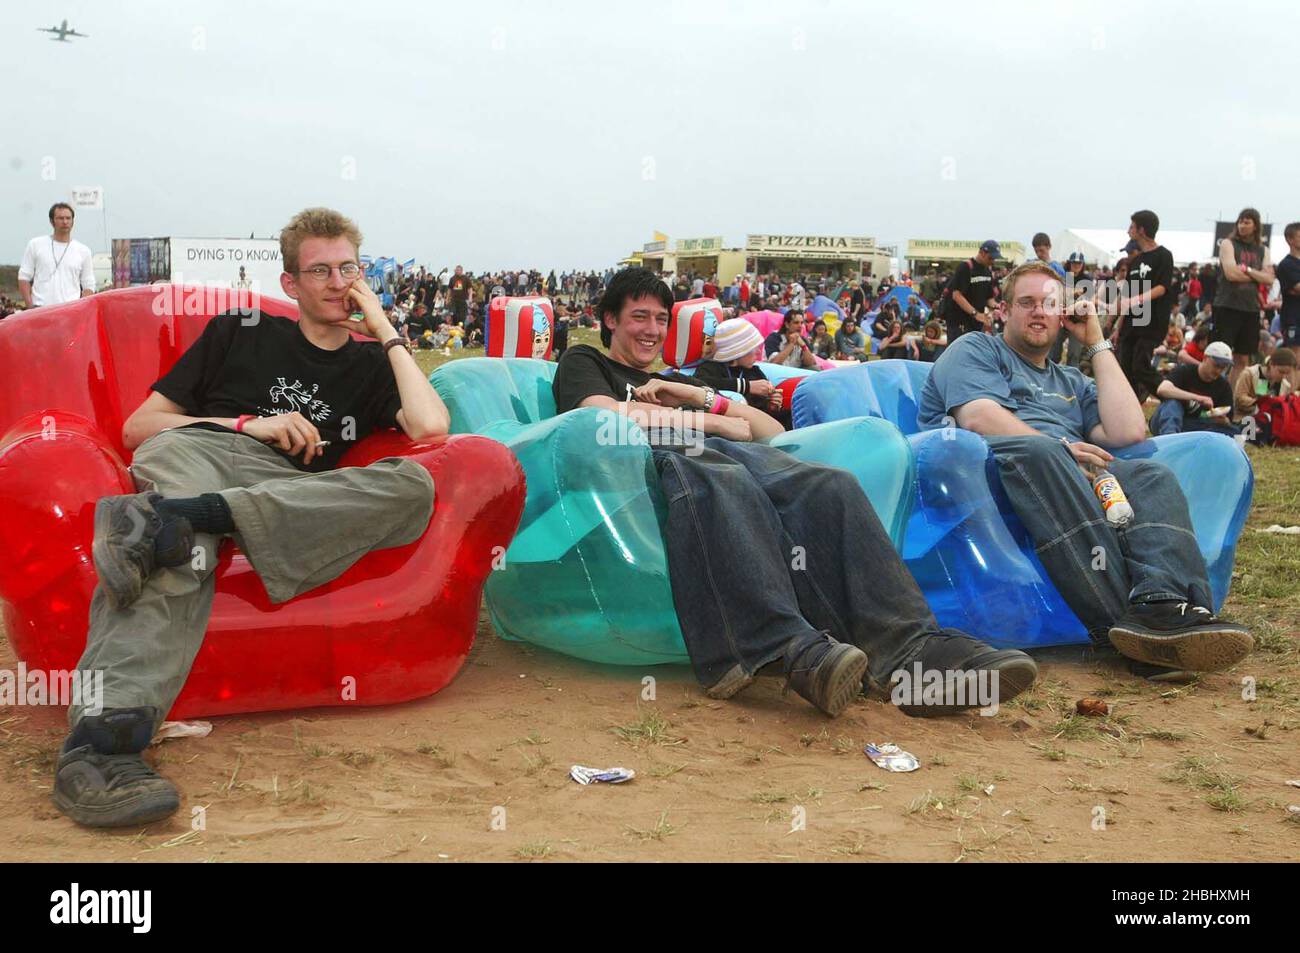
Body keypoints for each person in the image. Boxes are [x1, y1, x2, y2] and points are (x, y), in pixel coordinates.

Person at [50, 208, 451, 828]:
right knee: (181, 556)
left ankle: (176, 519)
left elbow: (432, 428)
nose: (337, 282)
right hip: (200, 451)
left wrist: (389, 332)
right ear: (290, 283)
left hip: (285, 490)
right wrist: (247, 423)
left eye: (349, 268)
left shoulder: (372, 366)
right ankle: (99, 752)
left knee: (415, 486)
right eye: (320, 271)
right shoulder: (241, 329)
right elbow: (139, 428)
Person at [551, 267, 1038, 719]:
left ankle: (911, 652)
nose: (652, 330)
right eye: (639, 317)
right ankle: (787, 647)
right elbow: (607, 419)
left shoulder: (676, 379)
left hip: (722, 455)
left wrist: (699, 398)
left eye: (661, 319)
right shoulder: (585, 360)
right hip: (656, 468)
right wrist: (718, 422)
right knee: (721, 475)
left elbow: (761, 430)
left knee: (828, 484)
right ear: (610, 320)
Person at [918, 260, 1253, 679]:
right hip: (991, 476)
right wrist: (1061, 449)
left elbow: (1129, 431)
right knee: (1040, 455)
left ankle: (1164, 606)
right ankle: (1128, 634)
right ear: (1004, 311)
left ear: (1065, 314)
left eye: (1050, 303)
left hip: (1072, 478)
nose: (1039, 311)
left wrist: (1096, 341)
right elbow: (979, 418)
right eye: (1026, 302)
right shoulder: (976, 349)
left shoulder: (1071, 382)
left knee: (1150, 475)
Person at [1108, 210, 1175, 402]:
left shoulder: (1163, 256)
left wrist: (1138, 300)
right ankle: (1132, 406)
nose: (1128, 231)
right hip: (1131, 324)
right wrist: (1117, 328)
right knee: (1126, 368)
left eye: (1132, 226)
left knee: (1141, 366)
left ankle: (1172, 395)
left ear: (1142, 230)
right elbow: (1127, 295)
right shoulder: (1136, 261)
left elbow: (1162, 287)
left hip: (1152, 323)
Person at [1212, 208, 1274, 390]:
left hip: (1250, 308)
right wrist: (1258, 276)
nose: (1242, 225)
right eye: (1240, 221)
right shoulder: (1228, 243)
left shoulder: (1263, 249)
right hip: (1227, 305)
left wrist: (1246, 270)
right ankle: (1213, 395)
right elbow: (1231, 274)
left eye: (1247, 222)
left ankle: (1231, 398)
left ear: (1255, 226)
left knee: (1243, 358)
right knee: (1219, 355)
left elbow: (1270, 279)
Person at [693, 318, 789, 426]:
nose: (758, 352)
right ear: (737, 351)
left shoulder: (755, 372)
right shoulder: (712, 368)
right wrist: (747, 386)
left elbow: (765, 411)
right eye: (753, 348)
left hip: (759, 425)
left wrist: (771, 405)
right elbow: (700, 382)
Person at [18, 203, 96, 308]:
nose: (65, 222)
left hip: (70, 311)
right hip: (40, 309)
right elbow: (24, 277)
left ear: (73, 221)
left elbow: (88, 284)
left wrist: (80, 309)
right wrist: (30, 307)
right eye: (60, 218)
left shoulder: (83, 251)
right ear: (52, 221)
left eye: (68, 218)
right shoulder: (36, 245)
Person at [1149, 341, 1236, 436]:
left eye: (1223, 368)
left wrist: (1223, 421)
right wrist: (1197, 398)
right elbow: (1162, 389)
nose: (1219, 371)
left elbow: (1228, 420)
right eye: (1216, 365)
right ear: (1205, 358)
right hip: (1166, 420)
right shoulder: (1185, 371)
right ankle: (1169, 440)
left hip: (1195, 425)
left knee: (1234, 431)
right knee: (1172, 404)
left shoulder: (1224, 386)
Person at [941, 240, 1000, 341]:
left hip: (975, 322)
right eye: (990, 258)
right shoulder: (966, 267)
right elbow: (957, 295)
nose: (992, 261)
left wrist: (997, 307)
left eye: (994, 259)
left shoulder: (988, 271)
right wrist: (975, 314)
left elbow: (989, 298)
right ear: (982, 253)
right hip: (959, 320)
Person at [1233, 348, 1296, 417]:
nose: (1284, 376)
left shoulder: (1285, 385)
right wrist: (1261, 403)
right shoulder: (1250, 373)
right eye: (1281, 372)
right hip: (1246, 418)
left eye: (1287, 373)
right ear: (1271, 364)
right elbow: (1239, 397)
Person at [1275, 222, 1300, 360]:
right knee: (1294, 358)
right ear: (1290, 239)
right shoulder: (1287, 264)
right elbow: (1297, 288)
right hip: (1293, 318)